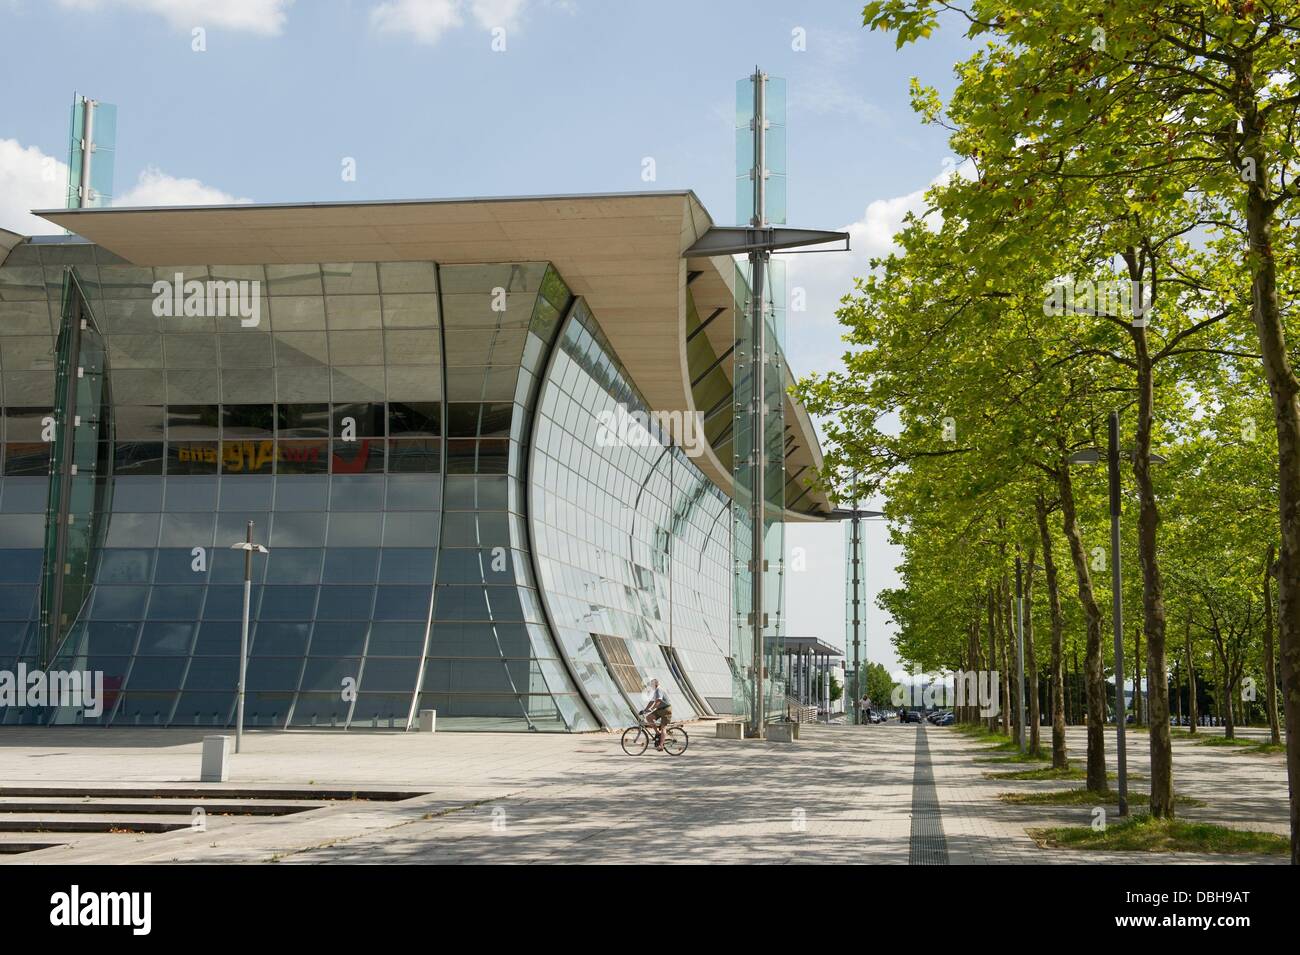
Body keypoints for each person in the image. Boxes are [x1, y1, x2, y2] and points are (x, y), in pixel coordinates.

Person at [642, 679, 672, 749]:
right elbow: (652, 701)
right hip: (660, 709)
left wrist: (651, 709)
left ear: (655, 684)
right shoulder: (655, 691)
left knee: (663, 727)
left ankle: (661, 745)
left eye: (652, 685)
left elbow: (658, 701)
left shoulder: (659, 690)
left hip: (666, 709)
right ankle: (658, 733)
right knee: (649, 718)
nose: (651, 686)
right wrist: (645, 710)